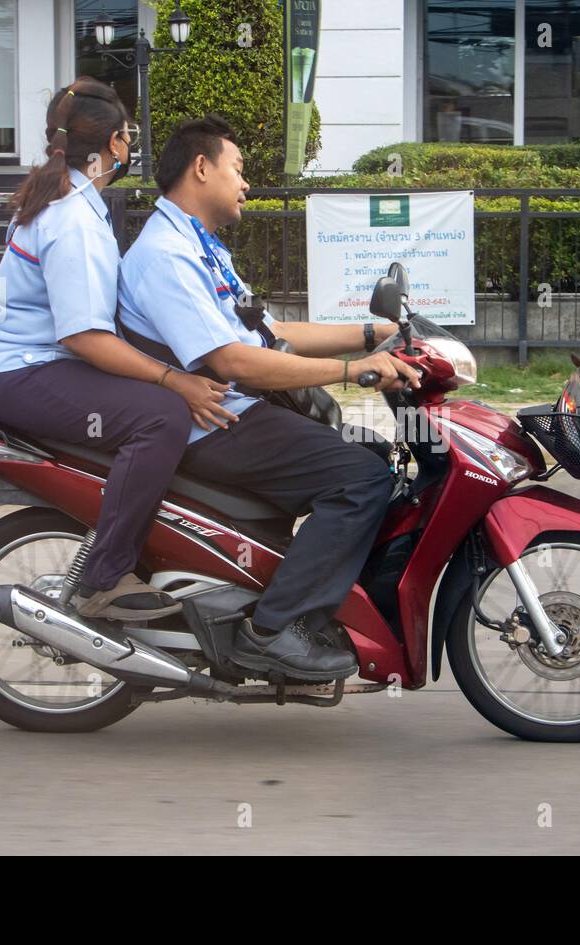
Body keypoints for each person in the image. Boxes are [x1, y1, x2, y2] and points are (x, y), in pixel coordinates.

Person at [117, 115, 420, 682]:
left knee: (379, 457)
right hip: (210, 421)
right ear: (201, 168)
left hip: (237, 408)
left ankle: (330, 603)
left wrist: (369, 335)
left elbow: (270, 335)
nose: (245, 183)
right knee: (361, 479)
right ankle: (273, 630)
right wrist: (356, 372)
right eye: (238, 169)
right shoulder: (165, 256)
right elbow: (233, 361)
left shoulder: (201, 247)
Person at [0, 79, 237, 622]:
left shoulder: (70, 200)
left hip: (30, 367)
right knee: (161, 417)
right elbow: (84, 337)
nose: (131, 145)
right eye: (128, 135)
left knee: (156, 401)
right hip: (28, 372)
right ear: (114, 144)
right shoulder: (73, 218)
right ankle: (106, 577)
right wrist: (174, 381)